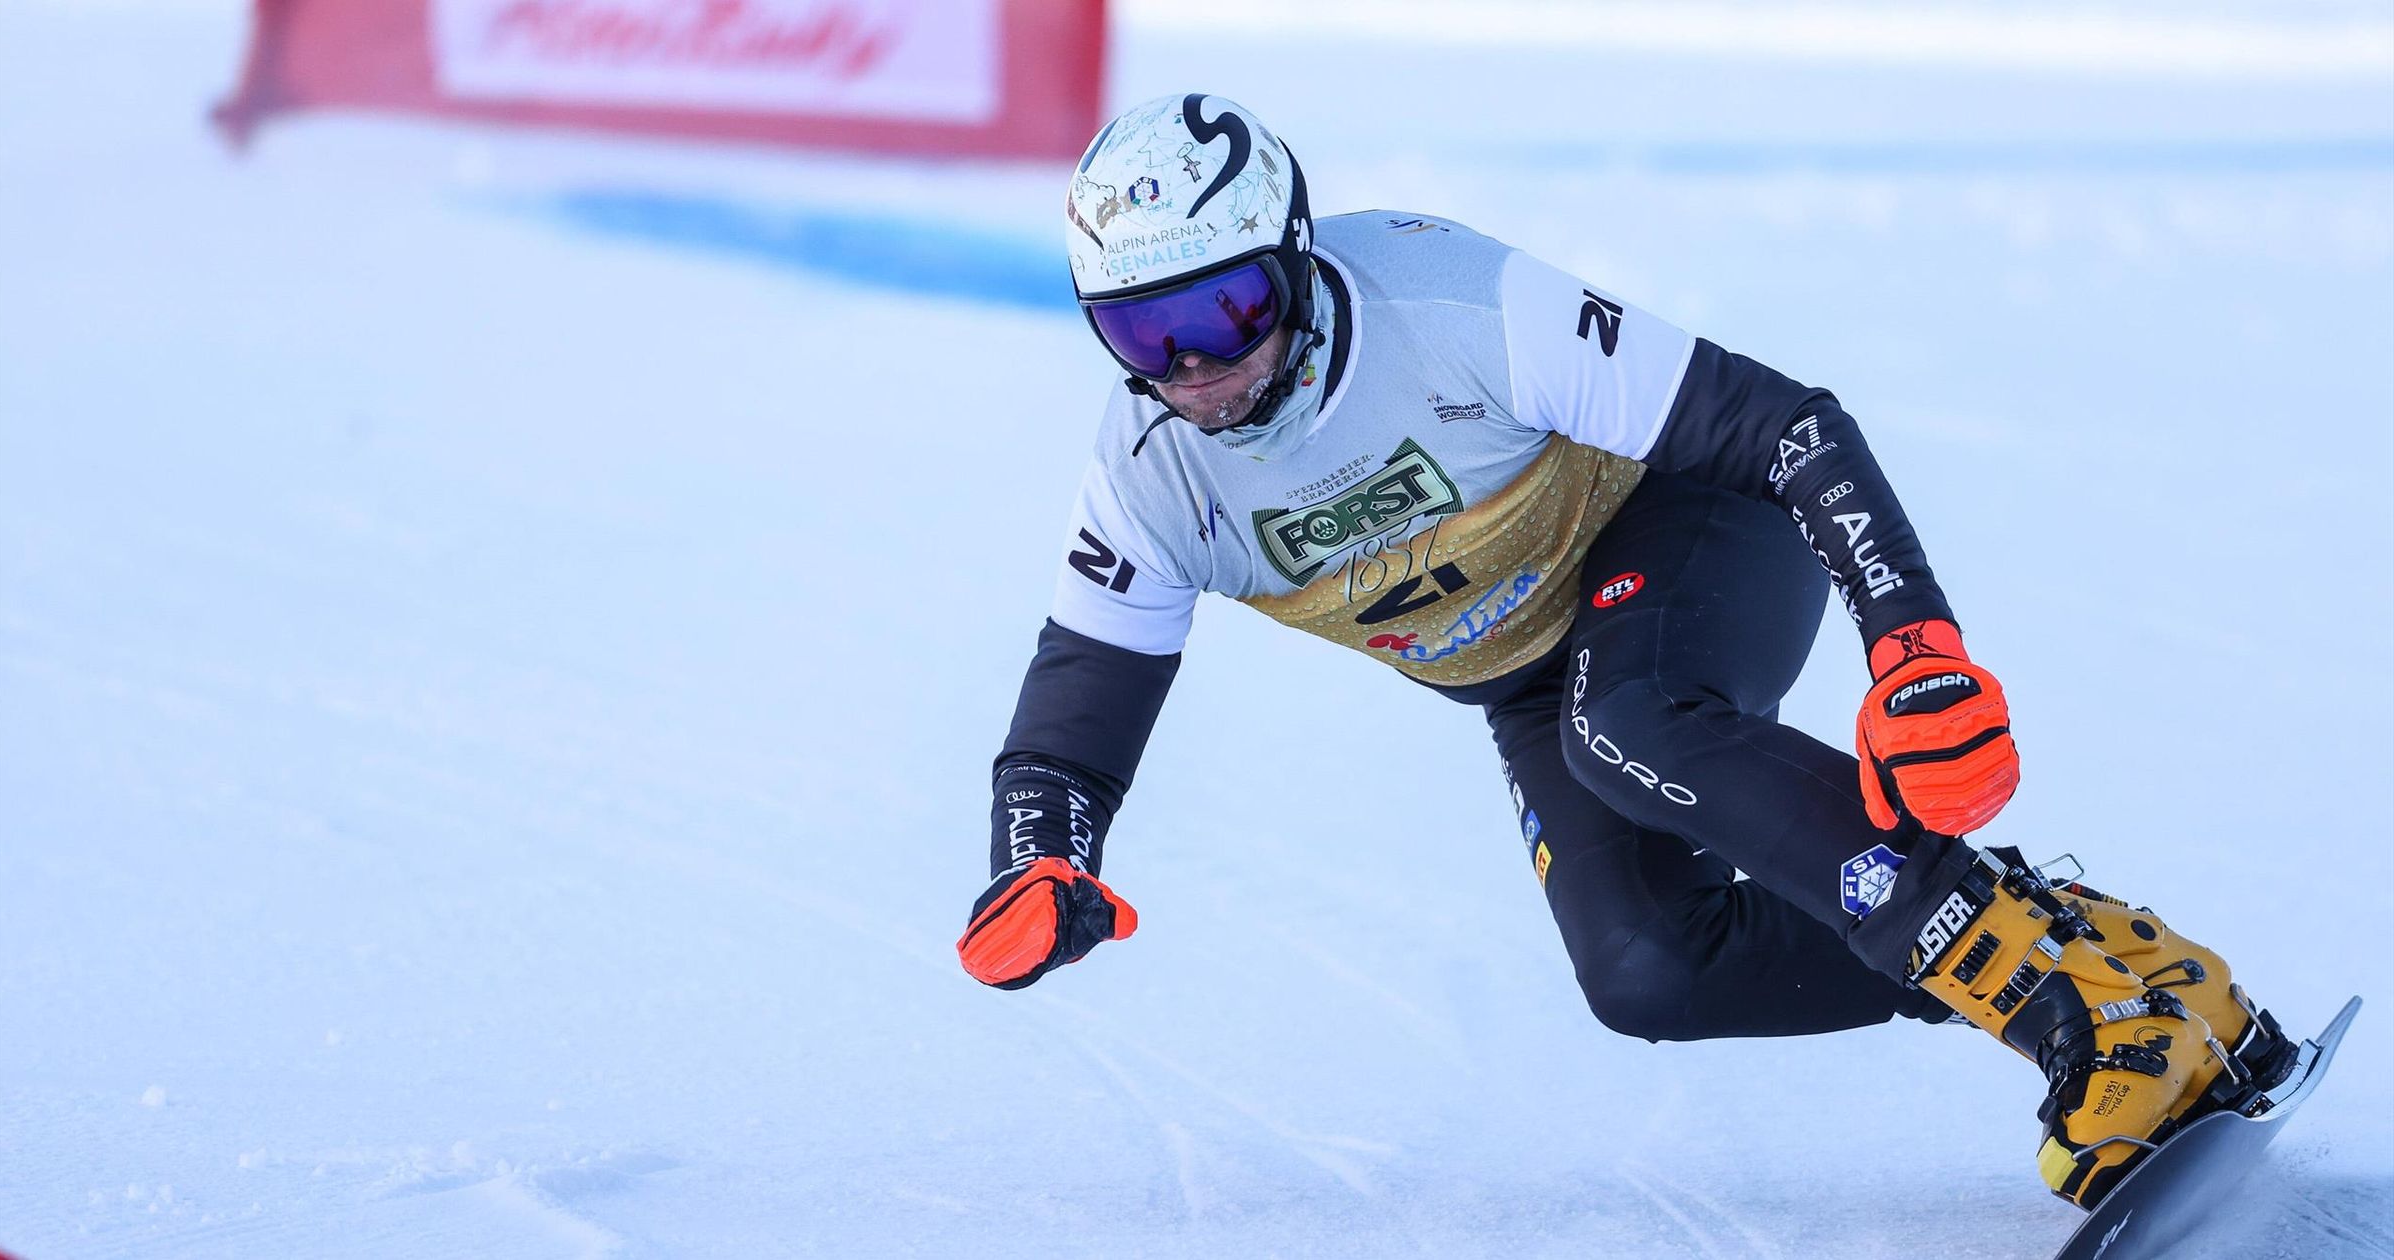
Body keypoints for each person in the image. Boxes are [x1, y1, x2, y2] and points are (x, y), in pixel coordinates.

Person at [955, 93, 2294, 1209]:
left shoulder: (1453, 301)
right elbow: (1080, 700)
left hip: (1691, 524)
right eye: (1143, 335)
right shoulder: (1147, 474)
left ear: (1297, 258)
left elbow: (1788, 428)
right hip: (1544, 672)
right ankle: (2108, 957)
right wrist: (1039, 857)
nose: (1199, 371)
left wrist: (1914, 648)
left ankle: (2081, 1011)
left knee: (1630, 717)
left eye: (1230, 311)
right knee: (1651, 968)